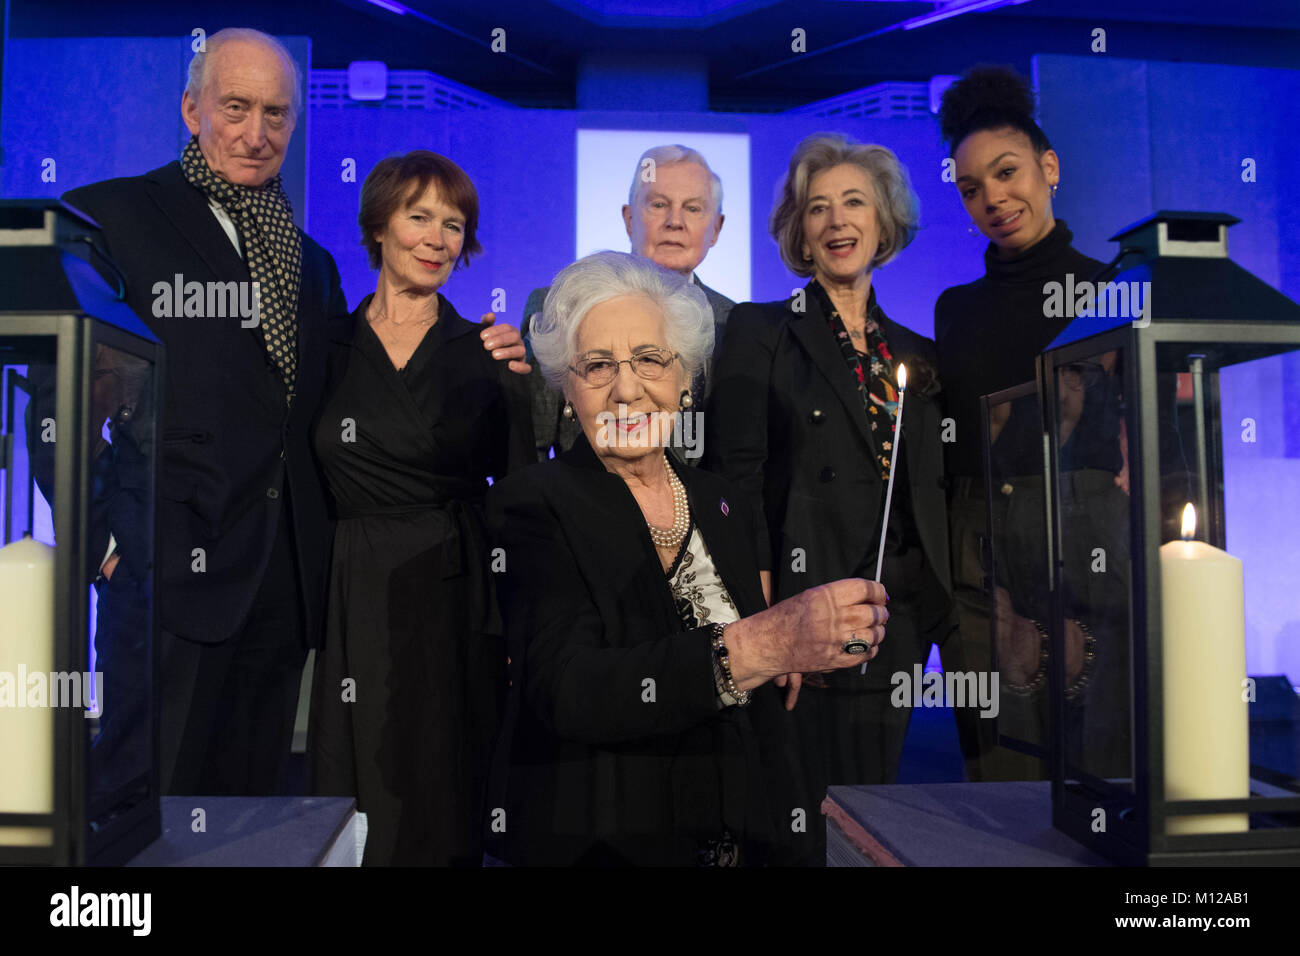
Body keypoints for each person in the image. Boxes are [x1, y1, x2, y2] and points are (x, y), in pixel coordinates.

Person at [60, 28, 528, 797]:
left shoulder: (312, 266)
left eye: (276, 113)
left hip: (284, 591)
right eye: (235, 107)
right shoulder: (114, 217)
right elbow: (62, 386)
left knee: (248, 818)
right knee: (145, 810)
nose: (256, 132)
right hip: (166, 577)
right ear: (191, 109)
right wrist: (100, 541)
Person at [486, 251, 888, 866]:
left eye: (649, 359)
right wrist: (766, 643)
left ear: (685, 381)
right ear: (566, 391)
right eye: (596, 365)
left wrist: (811, 649)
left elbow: (763, 686)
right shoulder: (532, 505)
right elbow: (568, 686)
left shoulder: (720, 499)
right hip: (611, 839)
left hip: (747, 831)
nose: (627, 388)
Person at [706, 133, 956, 792]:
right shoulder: (760, 331)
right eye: (818, 208)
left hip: (896, 617)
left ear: (882, 223)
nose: (837, 220)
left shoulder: (920, 355)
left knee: (875, 802)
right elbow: (739, 483)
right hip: (805, 609)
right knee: (801, 811)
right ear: (800, 231)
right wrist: (769, 626)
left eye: (855, 203)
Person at [307, 150, 533, 866]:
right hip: (355, 589)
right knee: (360, 777)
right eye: (420, 217)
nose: (437, 238)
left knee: (442, 785)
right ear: (379, 226)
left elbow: (524, 499)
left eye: (455, 224)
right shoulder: (328, 348)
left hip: (455, 595)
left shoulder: (489, 353)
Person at [933, 65, 1130, 782]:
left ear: (1048, 168)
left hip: (1092, 543)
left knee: (1103, 764)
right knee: (998, 774)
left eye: (1007, 172)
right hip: (979, 556)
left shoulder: (1115, 288)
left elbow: (1158, 442)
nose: (993, 197)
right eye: (971, 187)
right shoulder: (954, 308)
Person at [523, 145, 733, 461]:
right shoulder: (560, 306)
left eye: (692, 208)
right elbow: (531, 447)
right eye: (659, 204)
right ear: (629, 218)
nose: (674, 221)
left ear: (715, 229)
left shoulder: (734, 323)